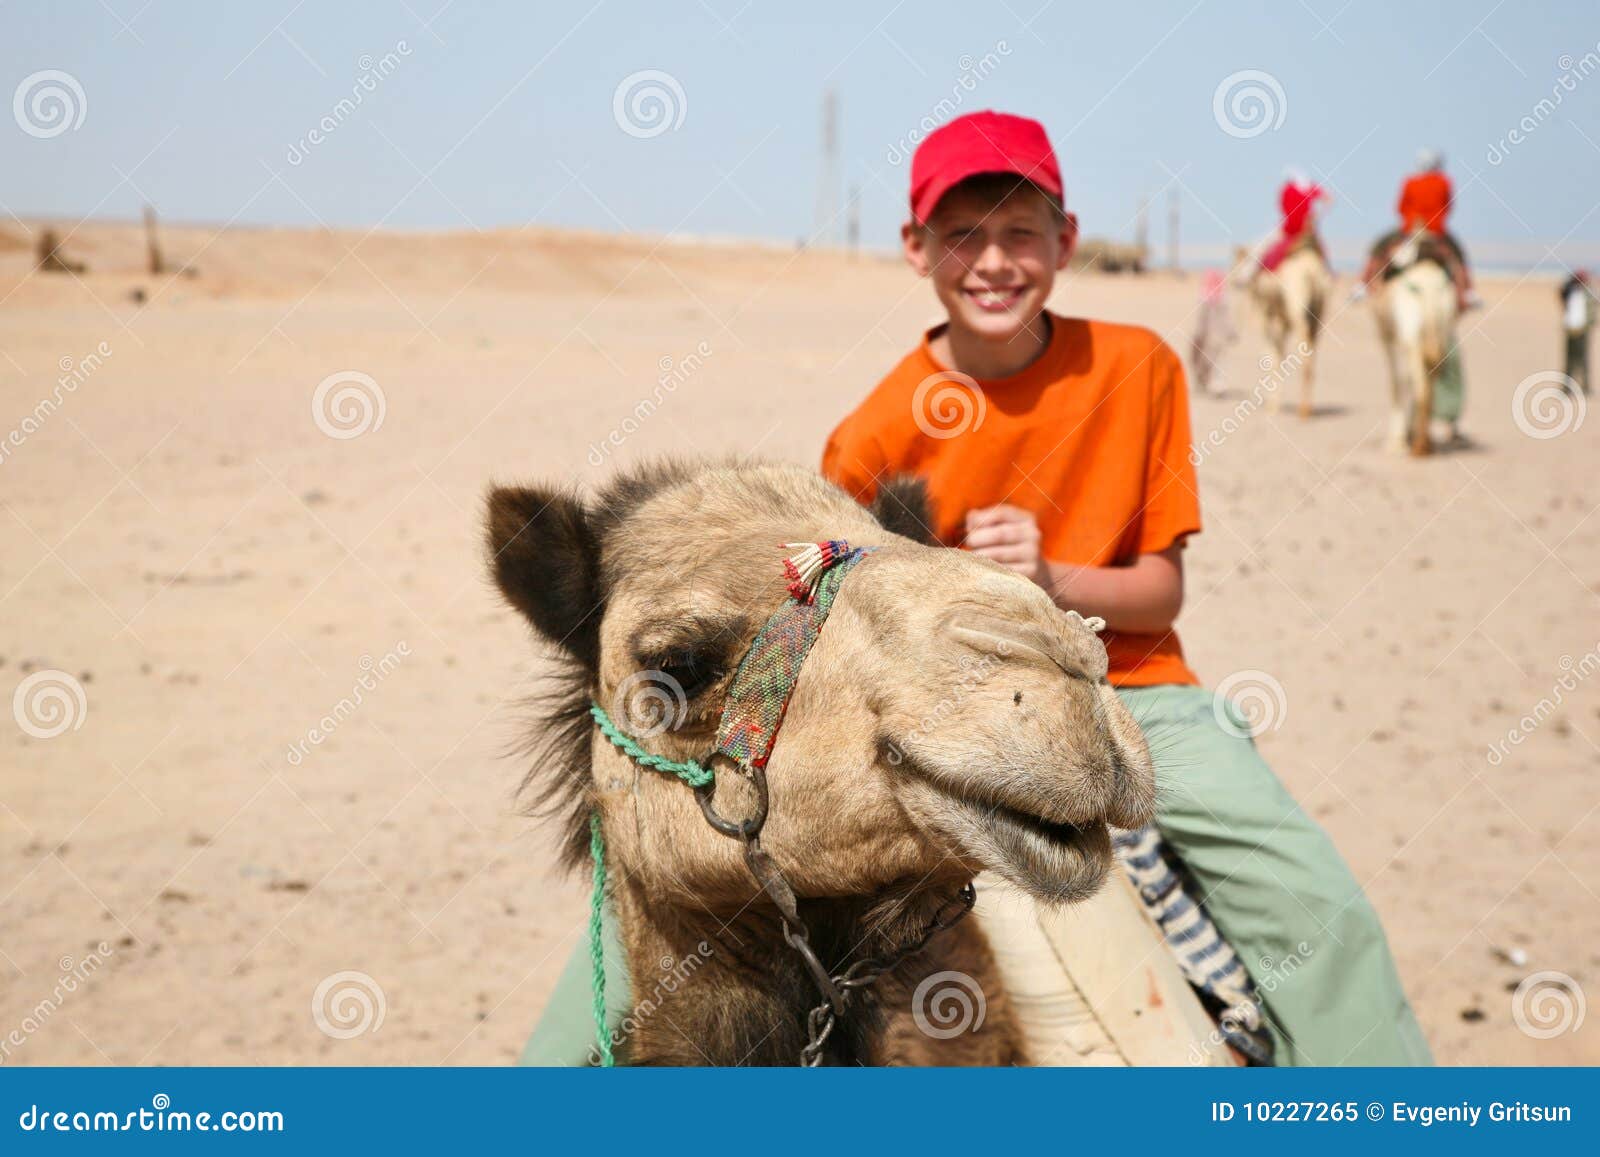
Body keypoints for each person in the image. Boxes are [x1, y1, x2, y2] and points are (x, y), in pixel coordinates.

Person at [819, 110, 1431, 1066]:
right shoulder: (872, 437)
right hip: (958, 716)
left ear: (1065, 242)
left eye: (1021, 231)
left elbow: (1159, 594)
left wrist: (1047, 578)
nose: (993, 261)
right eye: (962, 234)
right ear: (915, 248)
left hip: (1140, 690)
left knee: (1317, 906)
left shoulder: (1137, 367)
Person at [1357, 149, 1479, 310]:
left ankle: (1363, 284)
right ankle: (1467, 292)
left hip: (1409, 229)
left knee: (1379, 248)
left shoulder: (1410, 182)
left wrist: (1413, 221)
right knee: (1458, 255)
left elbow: (1400, 207)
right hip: (1437, 230)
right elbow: (1448, 206)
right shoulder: (1444, 182)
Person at [1256, 167, 1329, 273]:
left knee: (1264, 247)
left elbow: (1282, 207)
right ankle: (1330, 275)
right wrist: (1317, 215)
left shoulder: (1287, 189)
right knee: (1322, 252)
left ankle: (1253, 274)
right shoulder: (1310, 187)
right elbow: (1329, 199)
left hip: (1289, 230)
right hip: (1308, 230)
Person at [1190, 269, 1236, 394]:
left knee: (1218, 361)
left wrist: (1231, 332)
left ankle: (1217, 385)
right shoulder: (1204, 300)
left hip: (1218, 338)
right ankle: (1204, 382)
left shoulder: (1223, 300)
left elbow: (1227, 318)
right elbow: (1201, 321)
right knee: (1203, 361)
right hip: (1206, 338)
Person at [1561, 270, 1595, 395]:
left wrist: (1589, 325)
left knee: (1583, 360)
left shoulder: (1589, 293)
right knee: (1569, 360)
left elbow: (1594, 308)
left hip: (1583, 330)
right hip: (1570, 329)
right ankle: (1567, 388)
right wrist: (1571, 280)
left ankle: (1585, 387)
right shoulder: (1570, 292)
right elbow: (1561, 292)